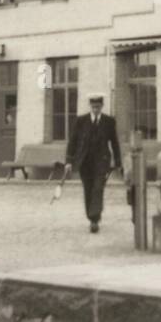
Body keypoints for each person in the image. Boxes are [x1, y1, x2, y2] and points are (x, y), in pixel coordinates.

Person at [64, 94, 122, 233]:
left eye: (98, 107)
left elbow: (114, 142)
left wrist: (118, 162)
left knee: (98, 188)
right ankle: (92, 217)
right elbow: (72, 142)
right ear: (90, 107)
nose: (96, 109)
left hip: (101, 161)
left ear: (102, 107)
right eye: (93, 107)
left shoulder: (109, 121)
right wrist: (68, 161)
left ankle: (94, 219)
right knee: (88, 189)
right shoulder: (81, 121)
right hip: (85, 162)